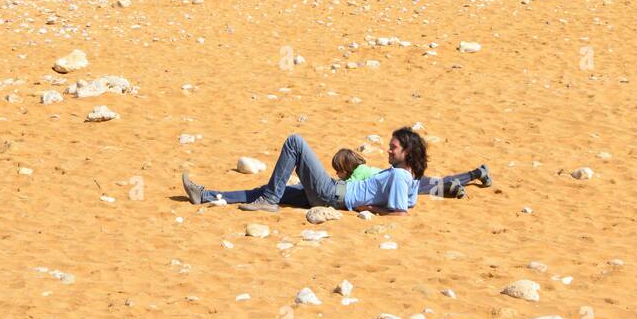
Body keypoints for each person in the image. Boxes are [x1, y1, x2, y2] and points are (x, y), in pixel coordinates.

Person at [181, 127, 428, 215]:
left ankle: (269, 201)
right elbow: (409, 203)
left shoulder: (398, 175)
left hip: (333, 195)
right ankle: (206, 196)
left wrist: (368, 208)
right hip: (333, 194)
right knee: (267, 189)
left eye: (393, 148)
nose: (388, 151)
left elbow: (400, 213)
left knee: (295, 142)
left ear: (407, 152)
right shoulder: (409, 179)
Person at [331, 148, 491, 199]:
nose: (337, 174)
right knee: (433, 182)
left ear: (346, 168)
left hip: (398, 182)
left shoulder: (358, 173)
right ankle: (476, 173)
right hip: (403, 175)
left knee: (426, 189)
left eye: (338, 171)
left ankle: (451, 187)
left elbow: (349, 188)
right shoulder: (363, 169)